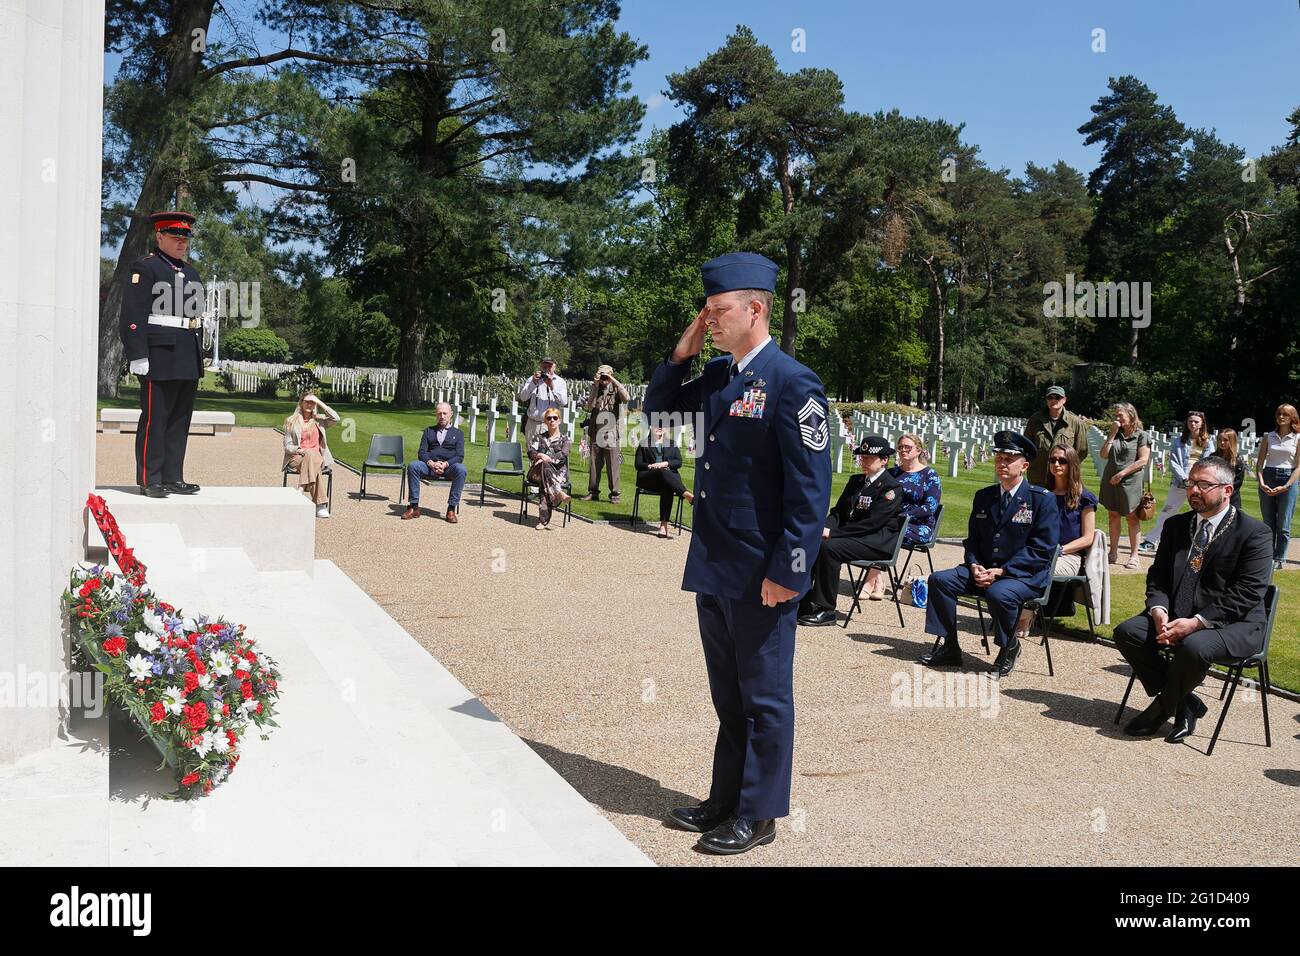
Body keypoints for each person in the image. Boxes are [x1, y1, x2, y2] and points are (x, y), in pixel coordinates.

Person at [645, 251, 830, 856]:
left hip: (763, 573)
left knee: (766, 698)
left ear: (755, 309)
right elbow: (658, 415)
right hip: (716, 565)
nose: (711, 320)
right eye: (706, 312)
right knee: (730, 695)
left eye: (718, 311)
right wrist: (684, 351)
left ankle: (761, 813)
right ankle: (726, 799)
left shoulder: (793, 382)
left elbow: (809, 493)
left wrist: (790, 572)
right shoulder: (722, 377)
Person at [1114, 457, 1273, 743]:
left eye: (1203, 484)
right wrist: (1158, 610)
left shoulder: (1254, 533)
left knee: (1193, 646)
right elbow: (1158, 575)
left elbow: (1248, 592)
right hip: (1177, 613)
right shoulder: (1177, 526)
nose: (1194, 490)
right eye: (1191, 483)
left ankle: (1162, 708)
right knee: (1129, 632)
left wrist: (1197, 622)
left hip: (1235, 622)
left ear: (1227, 490)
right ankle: (1186, 702)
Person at [920, 431, 1059, 678]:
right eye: (999, 458)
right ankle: (950, 647)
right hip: (984, 570)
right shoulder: (984, 497)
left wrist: (1002, 571)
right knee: (939, 580)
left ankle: (1009, 647)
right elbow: (972, 541)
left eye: (1009, 459)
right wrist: (974, 565)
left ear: (1024, 465)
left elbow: (1042, 549)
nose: (1002, 463)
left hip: (1023, 576)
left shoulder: (1041, 500)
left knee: (999, 592)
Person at [119, 210, 208, 498]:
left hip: (186, 353)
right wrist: (137, 354)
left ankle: (172, 476)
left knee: (180, 420)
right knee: (156, 418)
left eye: (185, 238)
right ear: (160, 236)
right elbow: (133, 313)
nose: (182, 243)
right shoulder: (146, 267)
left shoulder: (191, 272)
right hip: (158, 355)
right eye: (175, 237)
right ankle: (150, 478)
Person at [797, 435, 904, 626]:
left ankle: (826, 609)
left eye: (869, 458)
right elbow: (839, 512)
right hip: (854, 537)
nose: (864, 461)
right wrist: (826, 527)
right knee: (813, 541)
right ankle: (803, 600)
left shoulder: (891, 488)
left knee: (829, 548)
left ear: (884, 460)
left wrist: (834, 534)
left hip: (875, 541)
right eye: (862, 457)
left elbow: (873, 523)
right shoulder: (856, 481)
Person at [876, 432, 943, 596]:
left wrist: (904, 517)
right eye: (900, 447)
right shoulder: (891, 473)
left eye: (908, 447)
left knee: (885, 531)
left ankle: (873, 581)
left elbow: (930, 507)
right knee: (876, 528)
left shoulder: (929, 475)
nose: (903, 450)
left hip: (919, 526)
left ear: (918, 450)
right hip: (890, 522)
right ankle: (876, 579)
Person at [1042, 446, 1101, 617]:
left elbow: (1088, 538)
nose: (1056, 464)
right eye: (1052, 460)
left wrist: (1060, 550)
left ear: (1072, 464)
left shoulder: (1084, 498)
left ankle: (1025, 617)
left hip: (1069, 556)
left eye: (1062, 460)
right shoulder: (1043, 494)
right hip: (1042, 553)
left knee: (1038, 568)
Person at [1141, 411, 1211, 552]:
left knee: (1200, 512)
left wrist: (1196, 480)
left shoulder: (1208, 442)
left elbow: (1209, 462)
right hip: (1181, 481)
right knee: (1168, 510)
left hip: (1199, 482)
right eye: (1190, 421)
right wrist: (1184, 479)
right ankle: (1151, 540)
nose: (1193, 424)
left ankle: (1199, 543)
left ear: (1202, 423)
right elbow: (1173, 462)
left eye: (1196, 421)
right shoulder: (1179, 440)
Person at [1099, 403, 1151, 570]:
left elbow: (1143, 460)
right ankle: (1113, 552)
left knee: (1131, 517)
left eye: (1120, 415)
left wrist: (1122, 474)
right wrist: (1112, 434)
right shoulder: (1116, 434)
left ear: (1131, 415)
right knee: (1113, 515)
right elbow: (1104, 454)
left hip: (1130, 481)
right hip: (1111, 480)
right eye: (1116, 416)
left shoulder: (1141, 435)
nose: (1117, 419)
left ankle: (1134, 556)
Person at [402, 402, 467, 523]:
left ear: (451, 414)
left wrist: (445, 464)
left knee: (461, 469)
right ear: (436, 415)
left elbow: (459, 456)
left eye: (445, 413)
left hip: (448, 467)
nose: (442, 416)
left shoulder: (458, 434)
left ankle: (451, 508)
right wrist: (432, 464)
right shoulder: (428, 431)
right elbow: (422, 452)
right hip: (430, 466)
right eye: (439, 414)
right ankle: (414, 506)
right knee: (413, 466)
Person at [282, 393, 340, 518]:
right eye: (307, 401)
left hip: (316, 457)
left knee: (312, 456)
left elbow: (336, 418)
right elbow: (287, 446)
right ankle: (320, 505)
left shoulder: (320, 421)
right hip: (296, 458)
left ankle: (301, 488)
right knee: (313, 462)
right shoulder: (290, 421)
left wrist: (319, 402)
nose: (309, 404)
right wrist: (298, 449)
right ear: (301, 403)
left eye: (312, 402)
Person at [1256, 403, 1299, 571]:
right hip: (1268, 476)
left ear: (1292, 417)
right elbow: (1260, 463)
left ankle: (1280, 558)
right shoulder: (1269, 436)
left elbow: (1299, 466)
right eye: (1279, 414)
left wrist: (1287, 486)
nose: (1281, 417)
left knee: (1283, 524)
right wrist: (1261, 482)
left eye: (1285, 414)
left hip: (1288, 478)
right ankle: (1267, 556)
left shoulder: (1298, 438)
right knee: (1268, 522)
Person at [581, 364, 629, 503]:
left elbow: (627, 398)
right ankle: (593, 491)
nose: (603, 379)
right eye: (601, 375)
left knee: (612, 464)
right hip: (596, 430)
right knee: (594, 464)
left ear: (611, 375)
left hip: (612, 431)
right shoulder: (595, 388)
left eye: (606, 376)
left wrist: (613, 381)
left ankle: (615, 494)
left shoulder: (615, 388)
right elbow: (589, 406)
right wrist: (596, 387)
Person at [634, 425, 693, 538]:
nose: (659, 427)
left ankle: (663, 525)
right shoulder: (644, 443)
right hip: (649, 479)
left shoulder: (672, 443)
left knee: (667, 484)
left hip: (667, 481)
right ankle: (685, 494)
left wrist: (666, 463)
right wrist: (651, 466)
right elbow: (638, 464)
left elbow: (679, 462)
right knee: (662, 472)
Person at [1024, 385, 1090, 487]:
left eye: (1057, 397)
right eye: (1050, 397)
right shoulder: (1035, 420)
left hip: (1063, 479)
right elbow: (1026, 447)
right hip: (1038, 477)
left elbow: (1081, 451)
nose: (1053, 400)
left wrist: (1066, 466)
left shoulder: (1075, 422)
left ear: (1064, 400)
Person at [526, 410, 572, 529]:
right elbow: (531, 452)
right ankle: (558, 492)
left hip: (558, 474)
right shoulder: (539, 437)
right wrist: (540, 456)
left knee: (545, 477)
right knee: (543, 467)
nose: (552, 420)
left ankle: (543, 521)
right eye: (549, 418)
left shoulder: (566, 440)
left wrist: (546, 459)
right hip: (536, 473)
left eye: (555, 418)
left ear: (559, 420)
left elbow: (562, 457)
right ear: (545, 421)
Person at [517, 357, 567, 444]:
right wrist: (533, 383)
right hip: (532, 424)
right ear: (540, 366)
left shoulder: (559, 382)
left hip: (549, 424)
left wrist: (552, 386)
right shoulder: (532, 379)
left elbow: (563, 402)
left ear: (554, 367)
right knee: (531, 454)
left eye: (549, 366)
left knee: (547, 454)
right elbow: (523, 397)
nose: (547, 369)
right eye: (544, 366)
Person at [1206, 428, 1247, 511]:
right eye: (1220, 439)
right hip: (1213, 496)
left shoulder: (1238, 459)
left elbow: (1237, 482)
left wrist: (1223, 493)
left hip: (1231, 498)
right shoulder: (1212, 457)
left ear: (1232, 441)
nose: (1222, 442)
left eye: (1225, 440)